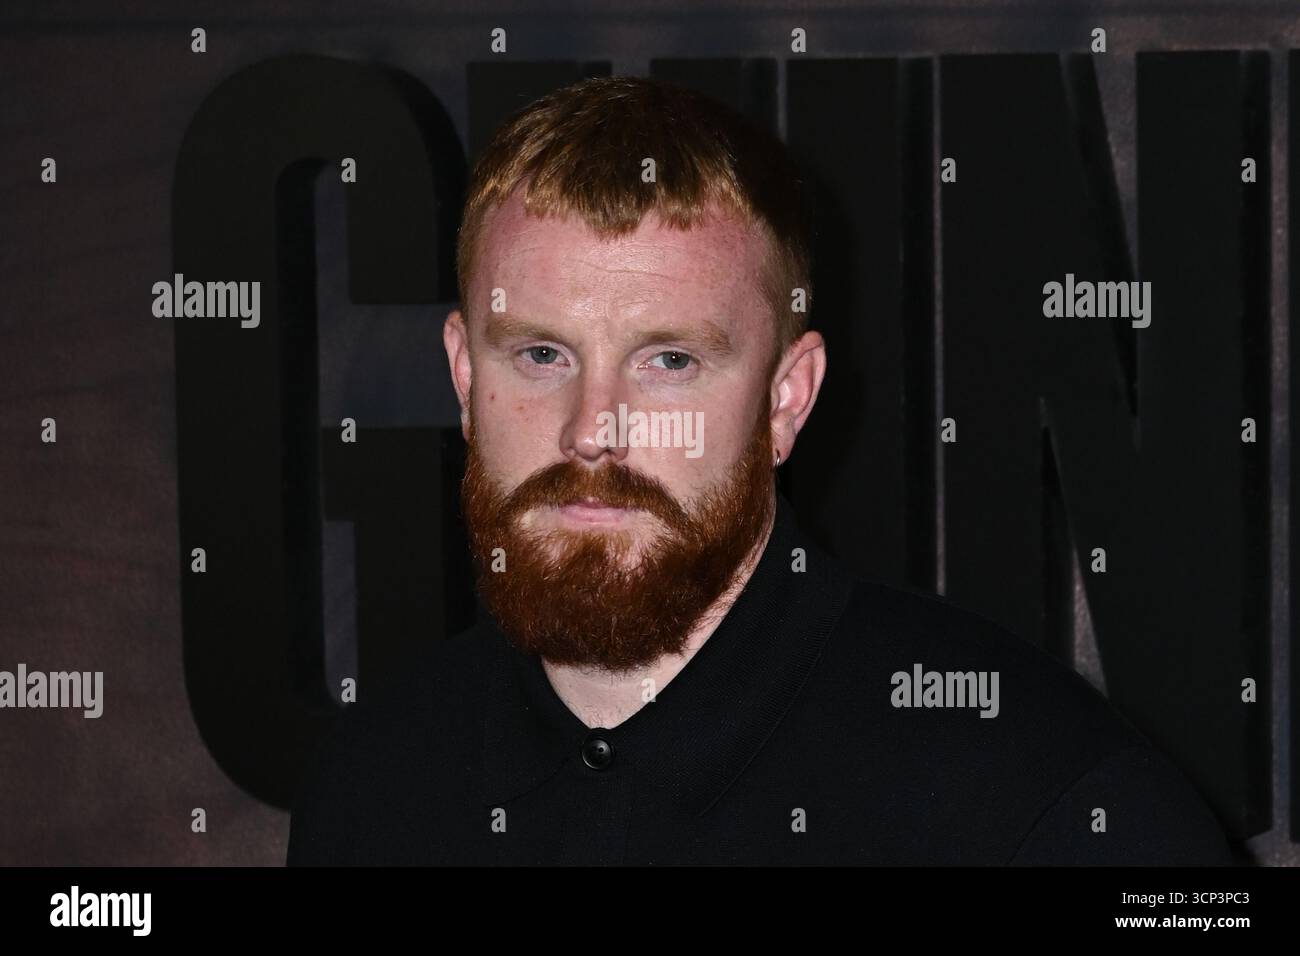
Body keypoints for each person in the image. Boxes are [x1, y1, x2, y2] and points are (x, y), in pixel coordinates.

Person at [287, 75, 1234, 865]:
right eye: (541, 355)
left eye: (669, 361)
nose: (590, 431)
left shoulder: (1050, 802)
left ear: (786, 400)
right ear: (464, 376)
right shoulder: (371, 783)